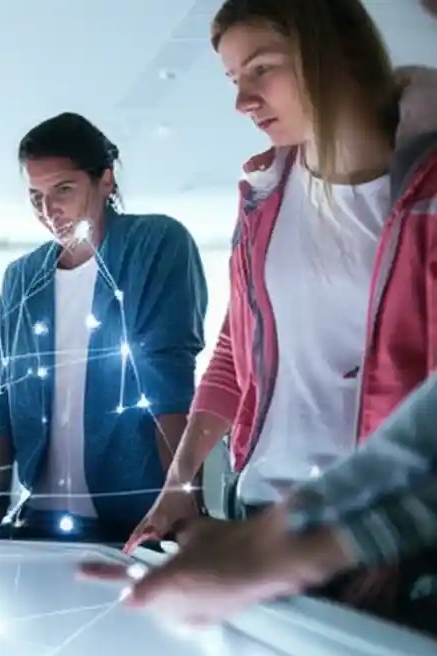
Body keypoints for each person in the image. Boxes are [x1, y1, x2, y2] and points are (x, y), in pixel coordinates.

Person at [125, 0, 437, 620]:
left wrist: (375, 530)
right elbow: (234, 353)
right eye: (233, 80)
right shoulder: (265, 197)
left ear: (334, 52)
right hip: (262, 508)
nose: (243, 100)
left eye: (262, 69)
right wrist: (181, 482)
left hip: (381, 529)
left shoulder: (423, 192)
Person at [0, 113, 207, 542]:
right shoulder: (22, 277)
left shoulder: (154, 243)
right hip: (39, 519)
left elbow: (167, 376)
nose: (49, 211)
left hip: (134, 517)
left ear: (105, 180)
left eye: (63, 189)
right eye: (35, 197)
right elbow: (0, 394)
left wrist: (183, 499)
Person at [80, 369, 437, 626]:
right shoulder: (249, 260)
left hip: (372, 524)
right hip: (267, 503)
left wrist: (329, 540)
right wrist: (178, 484)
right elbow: (229, 364)